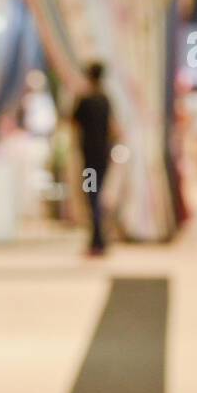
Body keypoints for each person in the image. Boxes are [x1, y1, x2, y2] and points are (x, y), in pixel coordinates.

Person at [72, 62, 118, 257]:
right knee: (97, 196)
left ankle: (97, 240)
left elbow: (72, 122)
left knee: (92, 197)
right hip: (103, 157)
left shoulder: (85, 100)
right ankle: (98, 239)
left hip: (90, 159)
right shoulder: (106, 100)